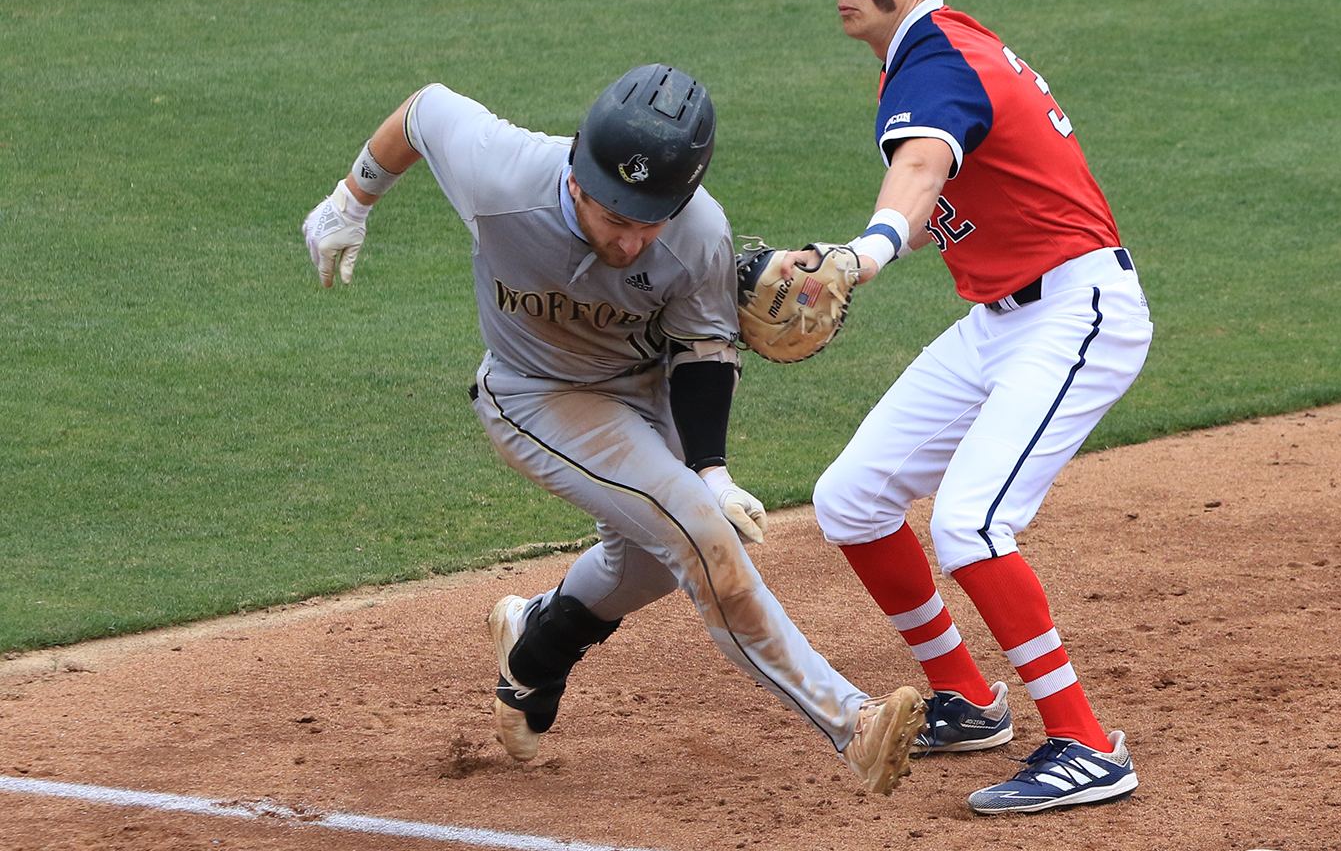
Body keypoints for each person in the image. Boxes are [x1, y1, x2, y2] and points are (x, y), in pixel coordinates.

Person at [298, 64, 925, 794]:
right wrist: (352, 198)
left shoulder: (698, 233)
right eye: (614, 218)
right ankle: (853, 724)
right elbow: (422, 112)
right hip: (537, 396)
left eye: (649, 222)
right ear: (575, 179)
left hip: (643, 396)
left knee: (653, 558)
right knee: (697, 536)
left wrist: (713, 471)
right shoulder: (501, 174)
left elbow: (701, 351)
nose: (630, 242)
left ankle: (536, 646)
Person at [787, 0, 1154, 814]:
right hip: (1003, 320)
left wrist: (862, 255)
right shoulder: (923, 57)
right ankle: (968, 696)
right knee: (851, 498)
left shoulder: (936, 50)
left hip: (1077, 311)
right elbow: (945, 195)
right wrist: (845, 249)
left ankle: (1082, 743)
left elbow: (915, 177)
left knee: (971, 524)